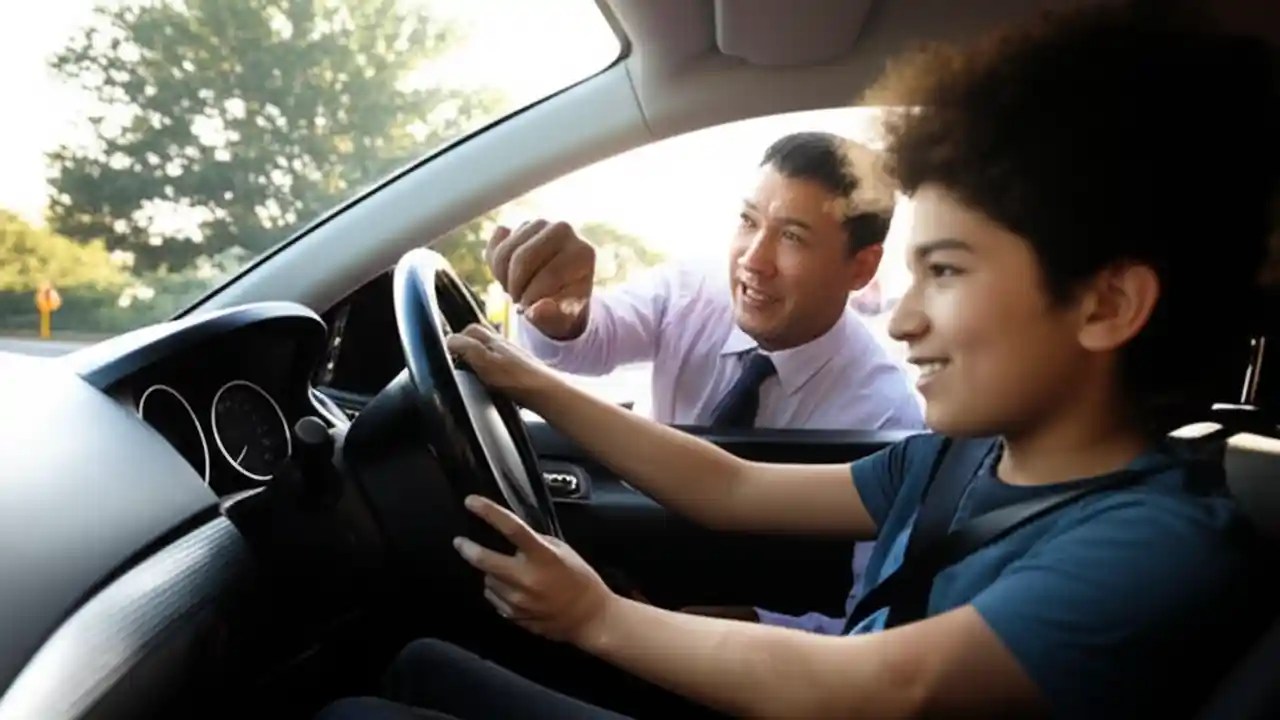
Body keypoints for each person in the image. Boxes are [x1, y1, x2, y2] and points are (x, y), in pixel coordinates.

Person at [318, 2, 1279, 718]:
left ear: (1106, 304)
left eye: (944, 273)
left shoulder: (1158, 541)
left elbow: (886, 686)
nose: (899, 320)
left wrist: (597, 616)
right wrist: (531, 379)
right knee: (412, 671)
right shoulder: (959, 456)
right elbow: (732, 489)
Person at [490, 132, 924, 433]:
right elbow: (589, 342)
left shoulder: (883, 414)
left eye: (792, 237)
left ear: (861, 269)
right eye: (748, 222)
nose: (754, 260)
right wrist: (562, 310)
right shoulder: (689, 293)